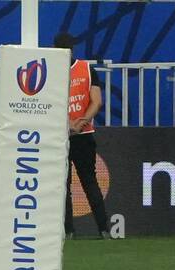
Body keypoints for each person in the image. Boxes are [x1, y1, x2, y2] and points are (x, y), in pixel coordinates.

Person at [54, 32, 110, 238]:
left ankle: (69, 231)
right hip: (83, 133)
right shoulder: (87, 69)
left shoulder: (51, 72)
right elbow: (96, 101)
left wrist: (71, 124)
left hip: (61, 135)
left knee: (63, 185)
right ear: (72, 48)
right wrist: (82, 121)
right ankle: (104, 229)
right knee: (89, 181)